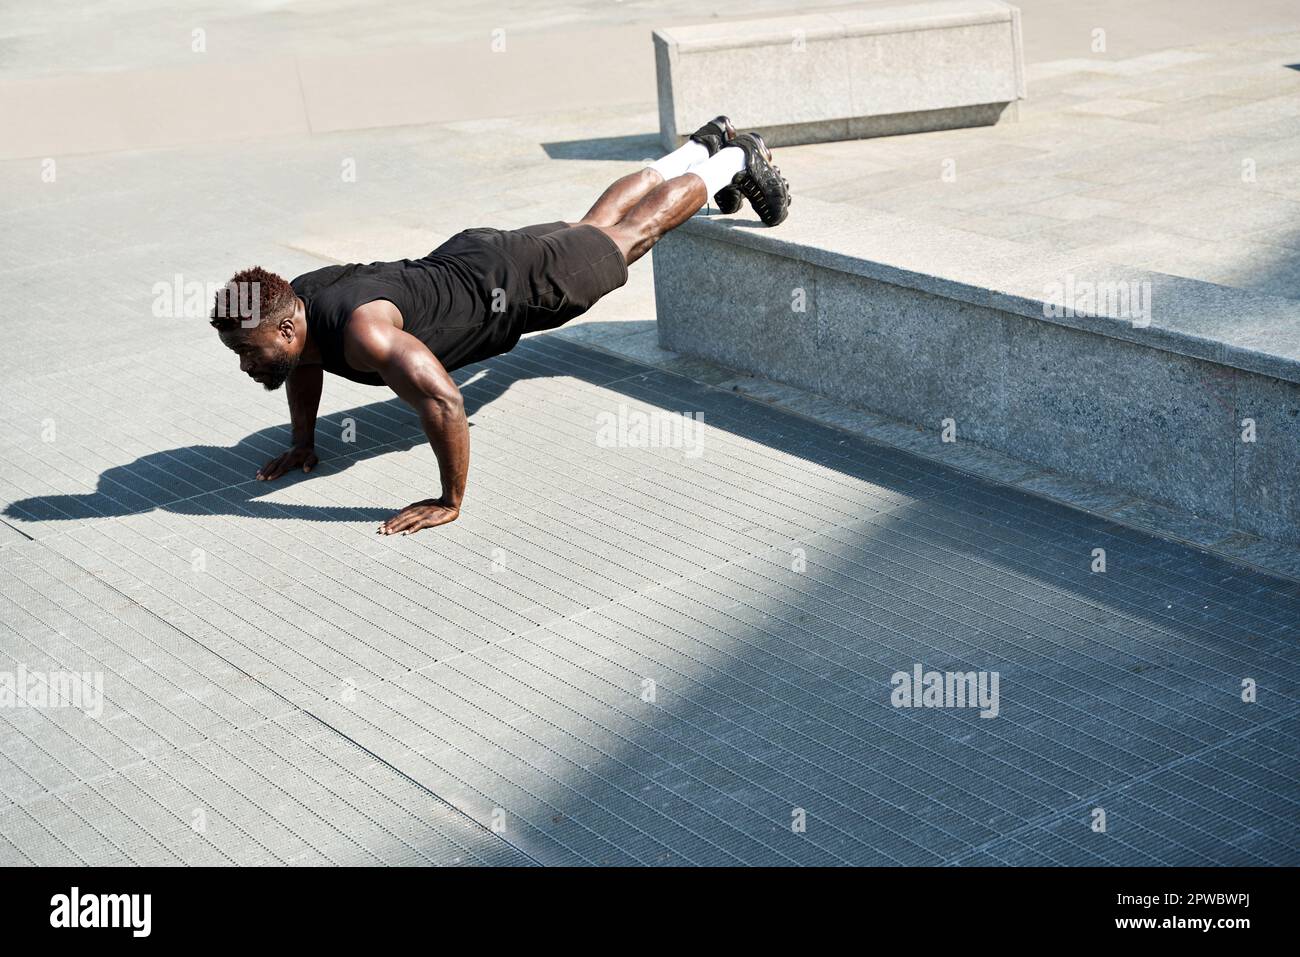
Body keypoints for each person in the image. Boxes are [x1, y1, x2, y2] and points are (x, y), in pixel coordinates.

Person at [209, 116, 791, 535]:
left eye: (247, 349)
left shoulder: (367, 335)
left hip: (519, 286)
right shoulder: (299, 299)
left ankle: (737, 159)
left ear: (283, 330)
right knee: (593, 224)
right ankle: (701, 147)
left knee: (631, 236)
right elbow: (303, 365)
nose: (244, 363)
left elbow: (443, 402)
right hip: (471, 255)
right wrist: (303, 441)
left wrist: (449, 499)